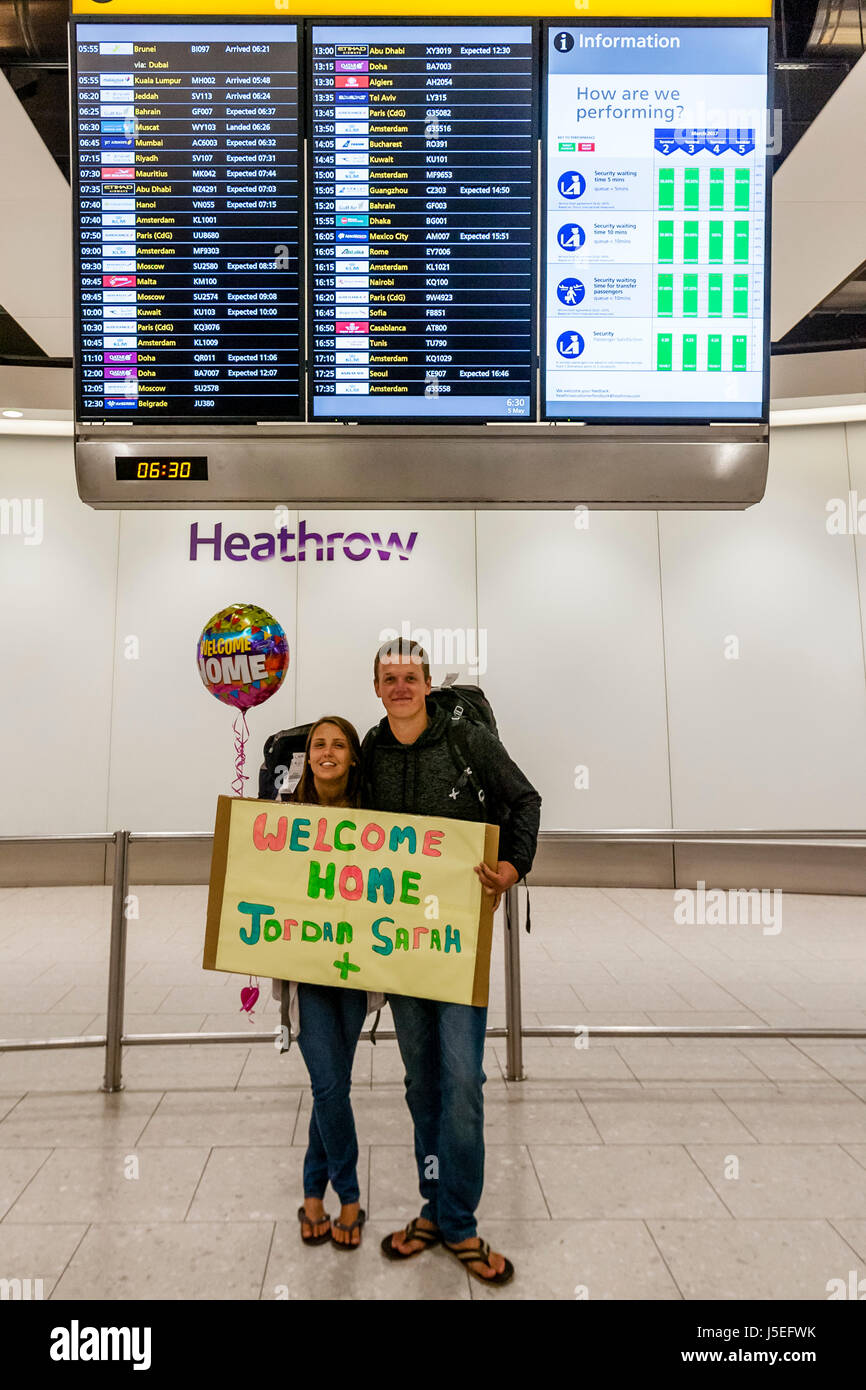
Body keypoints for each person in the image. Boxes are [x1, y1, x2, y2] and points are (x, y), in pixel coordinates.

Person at [362, 639, 541, 1285]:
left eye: (411, 677)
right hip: (399, 942)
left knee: (462, 1081)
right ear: (376, 687)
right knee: (420, 1084)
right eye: (390, 678)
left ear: (429, 683)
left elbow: (524, 800)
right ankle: (433, 1211)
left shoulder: (467, 741)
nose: (401, 687)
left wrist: (513, 866)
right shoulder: (370, 750)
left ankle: (460, 1225)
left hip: (458, 938)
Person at [272, 716, 384, 1250]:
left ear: (353, 757)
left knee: (332, 1082)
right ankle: (352, 1195)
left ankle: (311, 1194)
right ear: (307, 756)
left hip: (357, 969)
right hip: (306, 968)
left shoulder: (376, 820)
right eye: (319, 744)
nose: (327, 752)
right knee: (329, 1084)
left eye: (339, 744)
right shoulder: (286, 817)